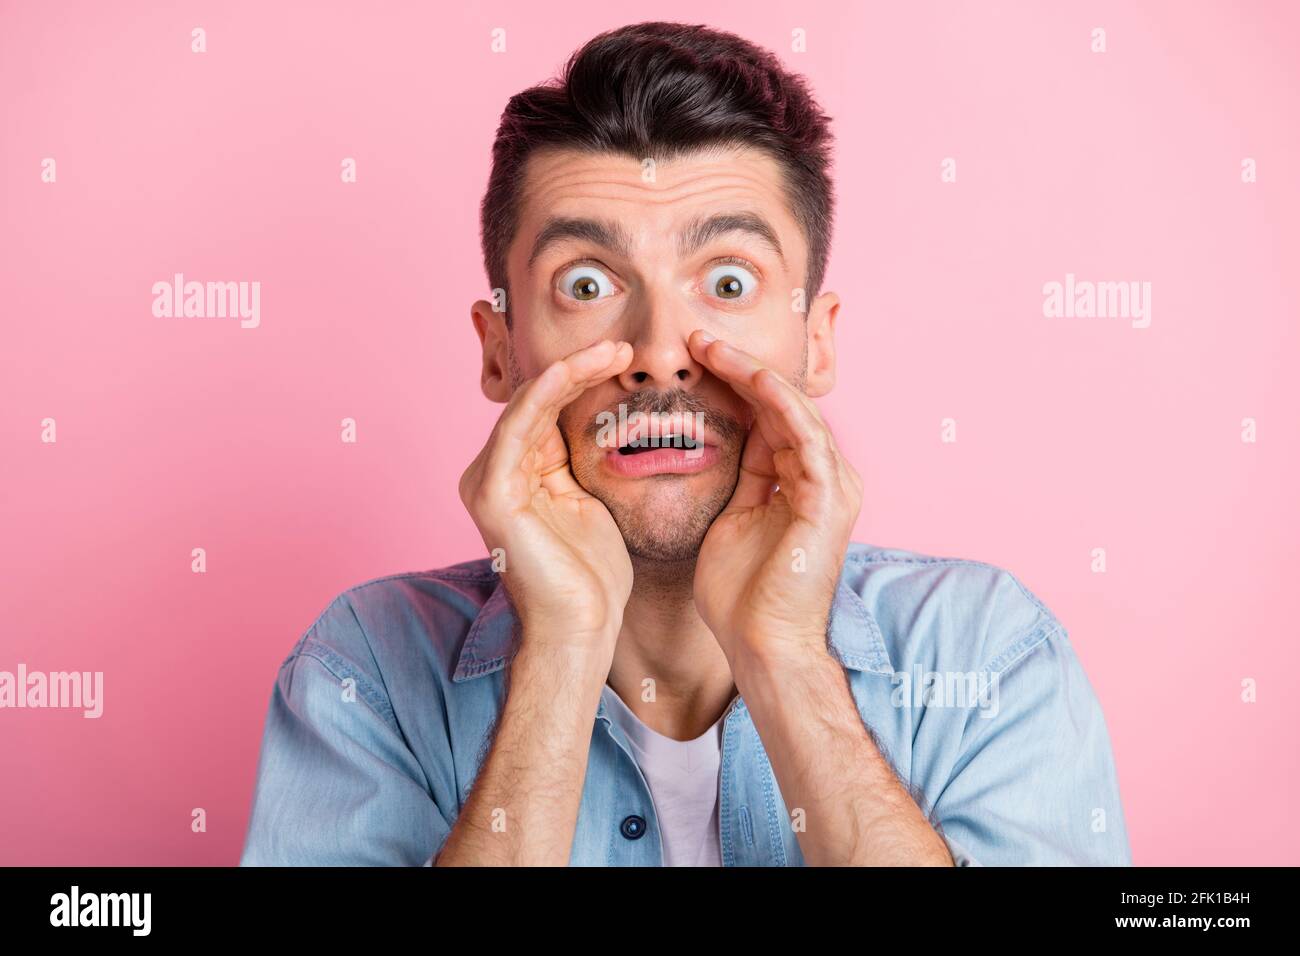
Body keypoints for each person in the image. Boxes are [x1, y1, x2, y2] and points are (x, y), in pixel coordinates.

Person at [240, 21, 1131, 867]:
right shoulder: (365, 670)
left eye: (729, 280)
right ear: (501, 350)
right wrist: (558, 654)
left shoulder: (985, 655)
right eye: (586, 284)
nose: (661, 353)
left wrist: (785, 654)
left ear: (815, 343)